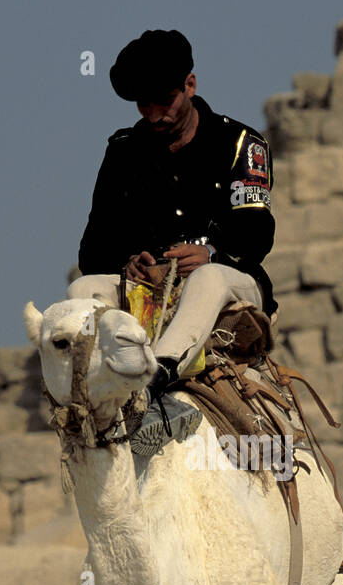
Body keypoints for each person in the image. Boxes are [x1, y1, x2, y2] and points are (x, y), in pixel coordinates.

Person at [72, 30, 277, 440]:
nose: (153, 114)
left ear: (190, 85)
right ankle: (87, 403)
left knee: (208, 277)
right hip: (147, 293)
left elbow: (257, 235)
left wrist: (212, 254)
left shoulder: (241, 143)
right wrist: (129, 262)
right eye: (143, 104)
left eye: (164, 101)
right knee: (82, 290)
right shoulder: (123, 153)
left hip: (230, 282)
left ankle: (157, 383)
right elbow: (94, 248)